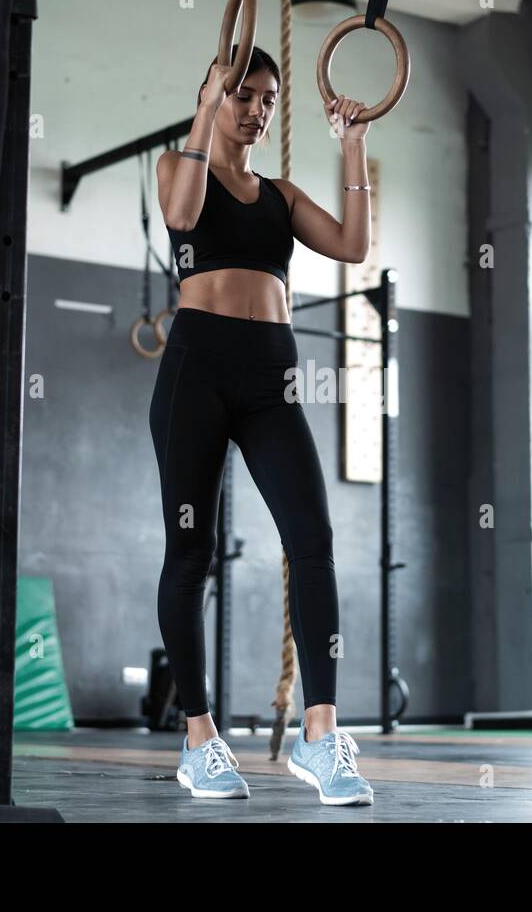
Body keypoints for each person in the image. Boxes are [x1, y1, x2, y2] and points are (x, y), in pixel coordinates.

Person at [151, 44, 374, 806]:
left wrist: (353, 148)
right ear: (217, 91)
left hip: (270, 381)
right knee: (190, 552)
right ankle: (199, 739)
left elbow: (352, 245)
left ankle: (320, 736)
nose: (256, 110)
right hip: (196, 372)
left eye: (267, 99)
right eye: (243, 95)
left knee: (313, 540)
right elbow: (181, 214)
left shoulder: (279, 195)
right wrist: (206, 105)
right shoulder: (178, 169)